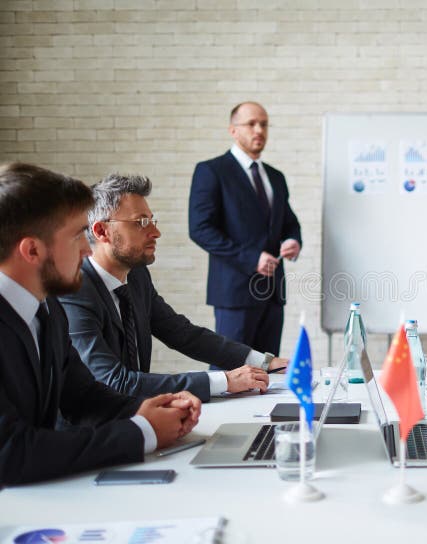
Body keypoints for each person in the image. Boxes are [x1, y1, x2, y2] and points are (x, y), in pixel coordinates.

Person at [0, 162, 200, 486]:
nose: (86, 249)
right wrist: (142, 432)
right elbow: (11, 451)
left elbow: (82, 395)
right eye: (77, 234)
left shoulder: (46, 306)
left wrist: (147, 409)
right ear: (32, 250)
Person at [59, 174, 286, 403]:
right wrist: (224, 381)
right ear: (101, 232)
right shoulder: (75, 291)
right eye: (141, 223)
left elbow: (183, 334)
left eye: (152, 221)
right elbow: (114, 381)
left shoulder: (136, 276)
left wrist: (266, 363)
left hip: (135, 417)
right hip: (93, 433)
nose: (156, 233)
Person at [189, 101, 302, 361]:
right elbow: (200, 229)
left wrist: (294, 241)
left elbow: (289, 223)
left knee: (268, 373)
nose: (259, 129)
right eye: (251, 123)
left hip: (273, 294)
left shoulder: (276, 177)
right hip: (235, 295)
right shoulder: (211, 171)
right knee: (231, 372)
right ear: (233, 130)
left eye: (263, 124)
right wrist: (252, 258)